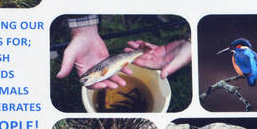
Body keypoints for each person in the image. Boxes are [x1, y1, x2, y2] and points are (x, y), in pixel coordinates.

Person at [55, 15, 193, 89]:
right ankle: (141, 51)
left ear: (93, 73)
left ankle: (141, 51)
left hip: (122, 59)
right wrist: (84, 31)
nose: (86, 80)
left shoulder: (100, 73)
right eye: (85, 79)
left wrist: (191, 41)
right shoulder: (100, 73)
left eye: (86, 78)